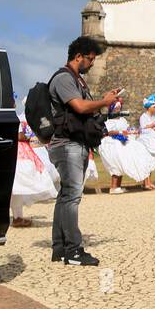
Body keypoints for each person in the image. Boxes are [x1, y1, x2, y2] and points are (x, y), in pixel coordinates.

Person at [47, 37, 119, 264]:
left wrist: (107, 106)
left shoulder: (76, 80)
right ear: (78, 56)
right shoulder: (63, 78)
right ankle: (73, 251)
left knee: (66, 196)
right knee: (72, 197)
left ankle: (60, 249)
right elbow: (79, 106)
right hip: (67, 144)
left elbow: (87, 112)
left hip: (73, 143)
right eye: (89, 59)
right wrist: (103, 101)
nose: (91, 64)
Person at [98, 108, 155, 193]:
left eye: (119, 108)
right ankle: (114, 187)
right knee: (116, 163)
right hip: (113, 143)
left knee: (124, 163)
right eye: (116, 108)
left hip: (124, 142)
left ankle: (118, 186)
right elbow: (110, 132)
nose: (118, 110)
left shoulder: (122, 119)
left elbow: (127, 129)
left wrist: (132, 131)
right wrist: (121, 132)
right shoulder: (109, 120)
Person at [11, 117, 57, 225]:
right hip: (20, 151)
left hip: (19, 149)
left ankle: (17, 217)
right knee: (21, 182)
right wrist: (29, 136)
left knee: (17, 186)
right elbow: (19, 135)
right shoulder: (16, 119)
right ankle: (17, 217)